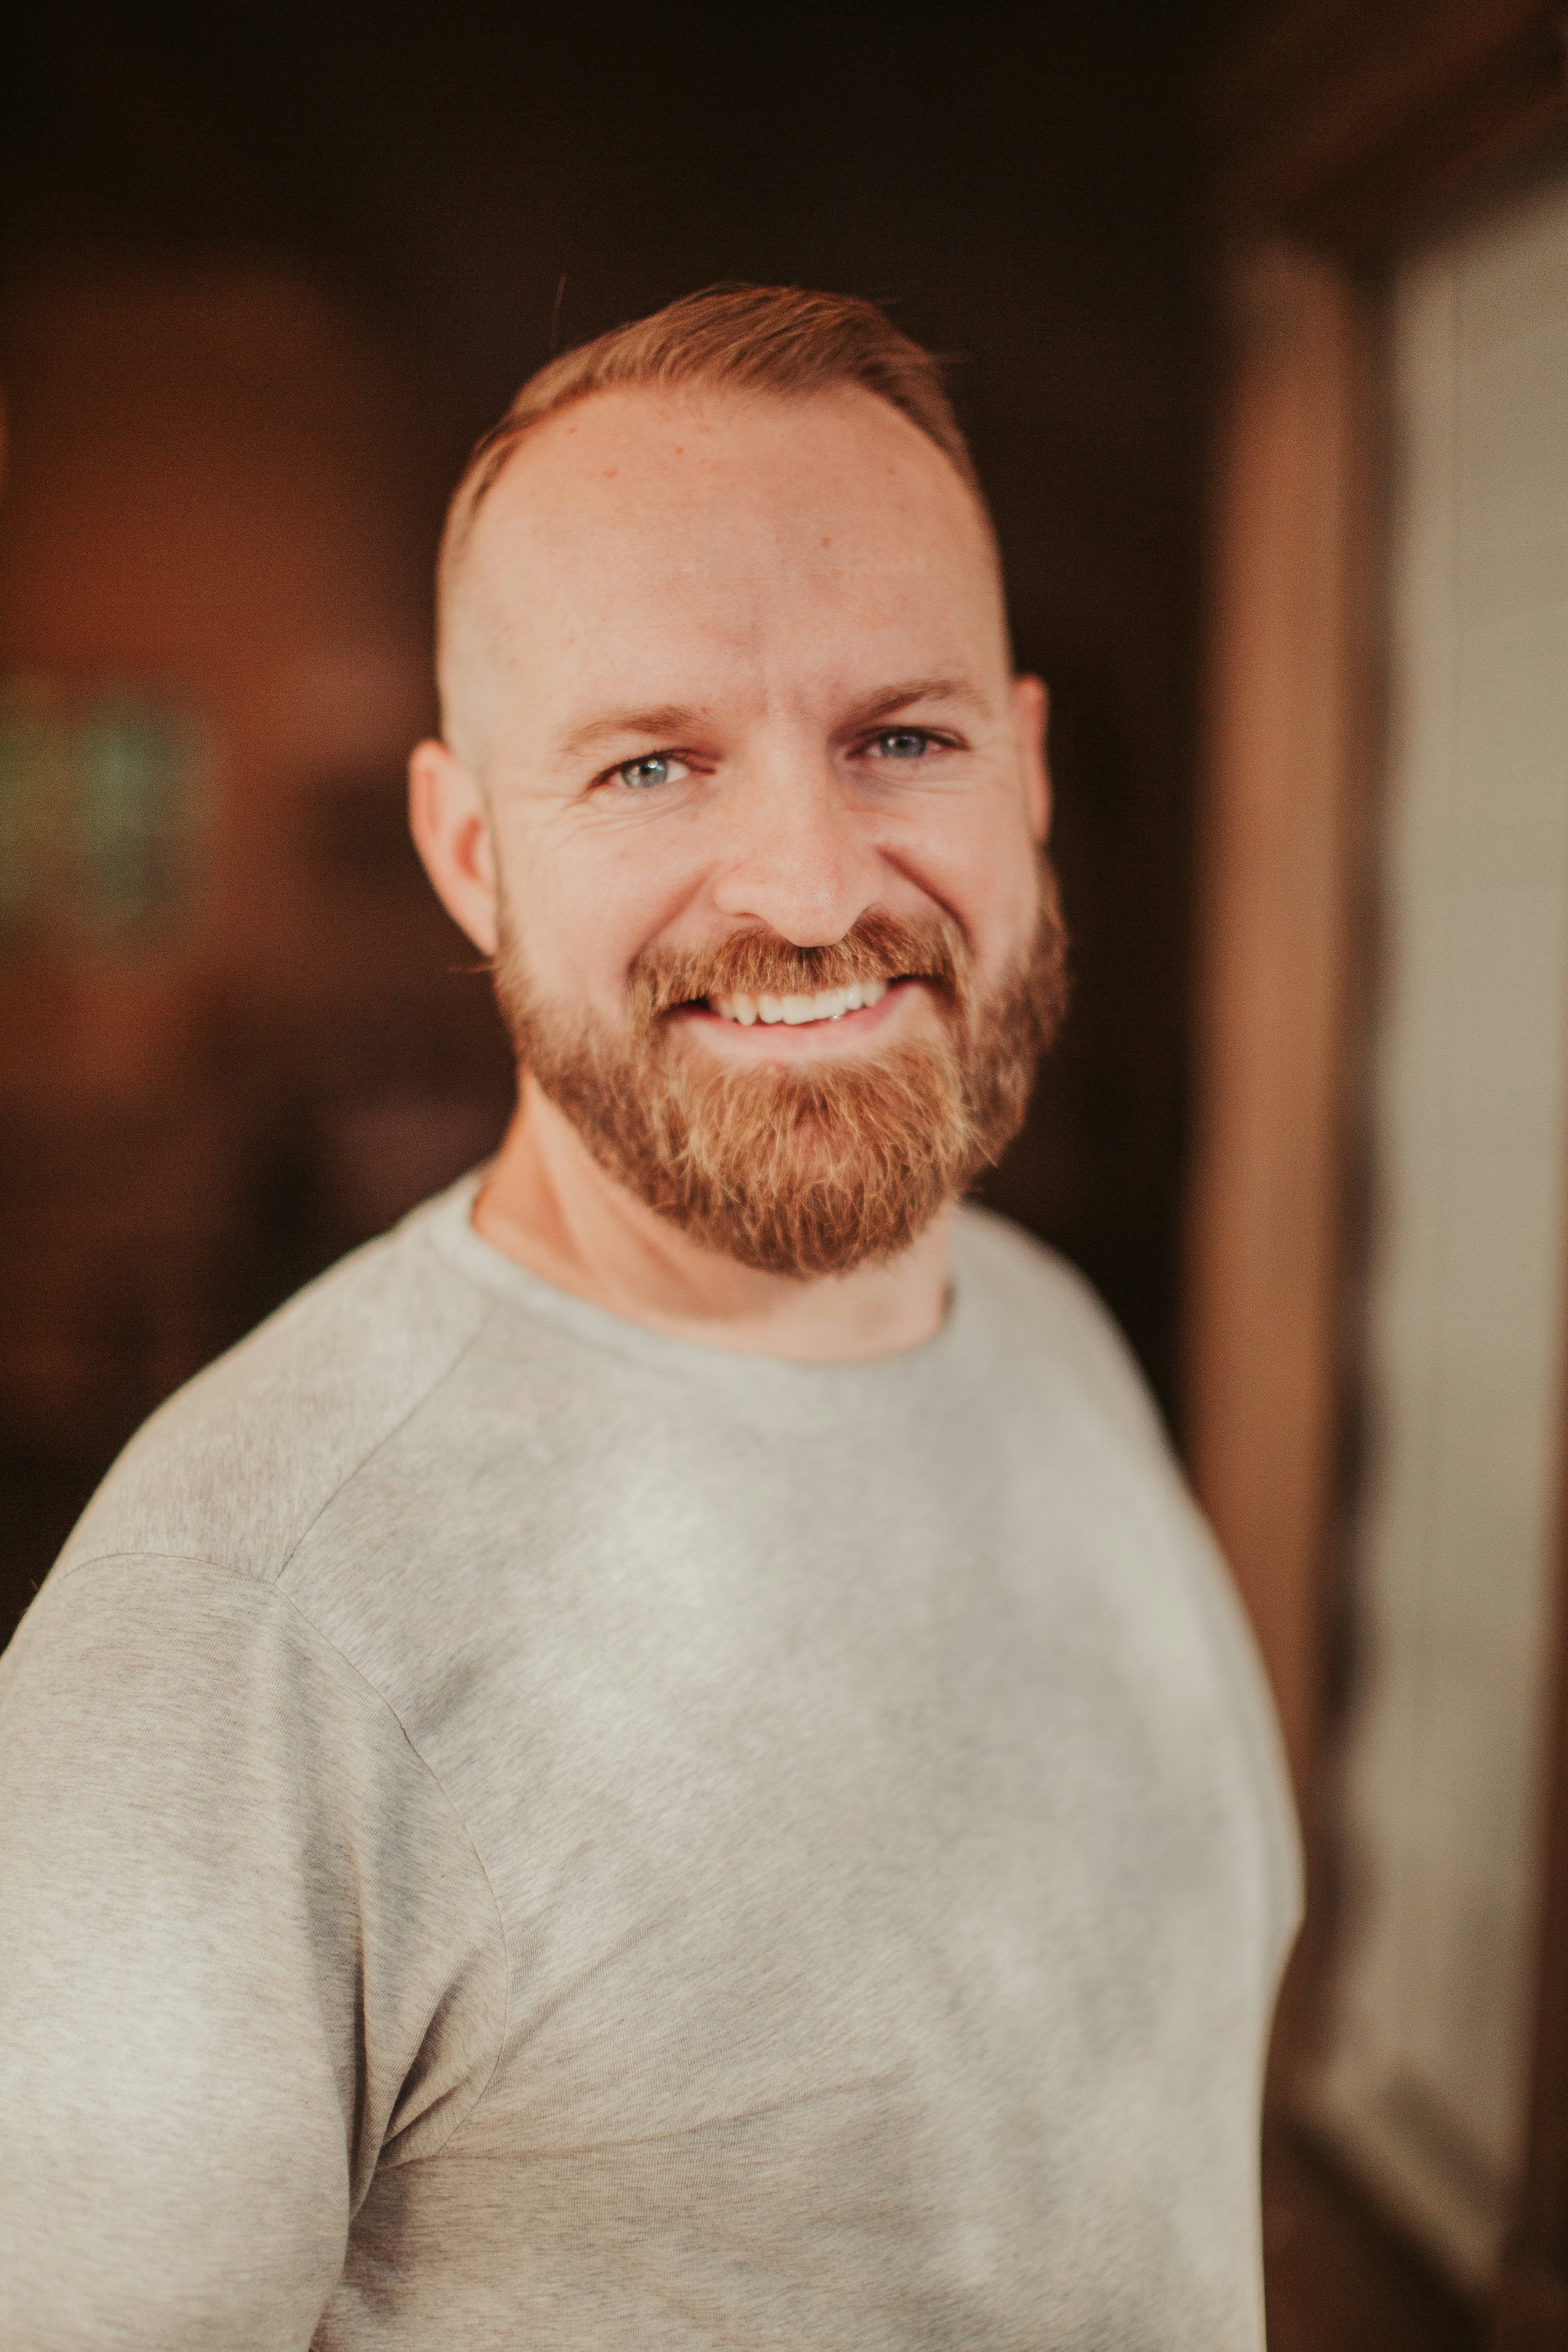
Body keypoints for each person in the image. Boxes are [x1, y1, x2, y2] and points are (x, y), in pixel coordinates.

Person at [0, 285, 1298, 2350]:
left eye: (902, 737)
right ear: (467, 851)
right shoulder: (241, 1626)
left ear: (1026, 773)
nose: (802, 885)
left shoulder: (1048, 1338)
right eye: (650, 764)